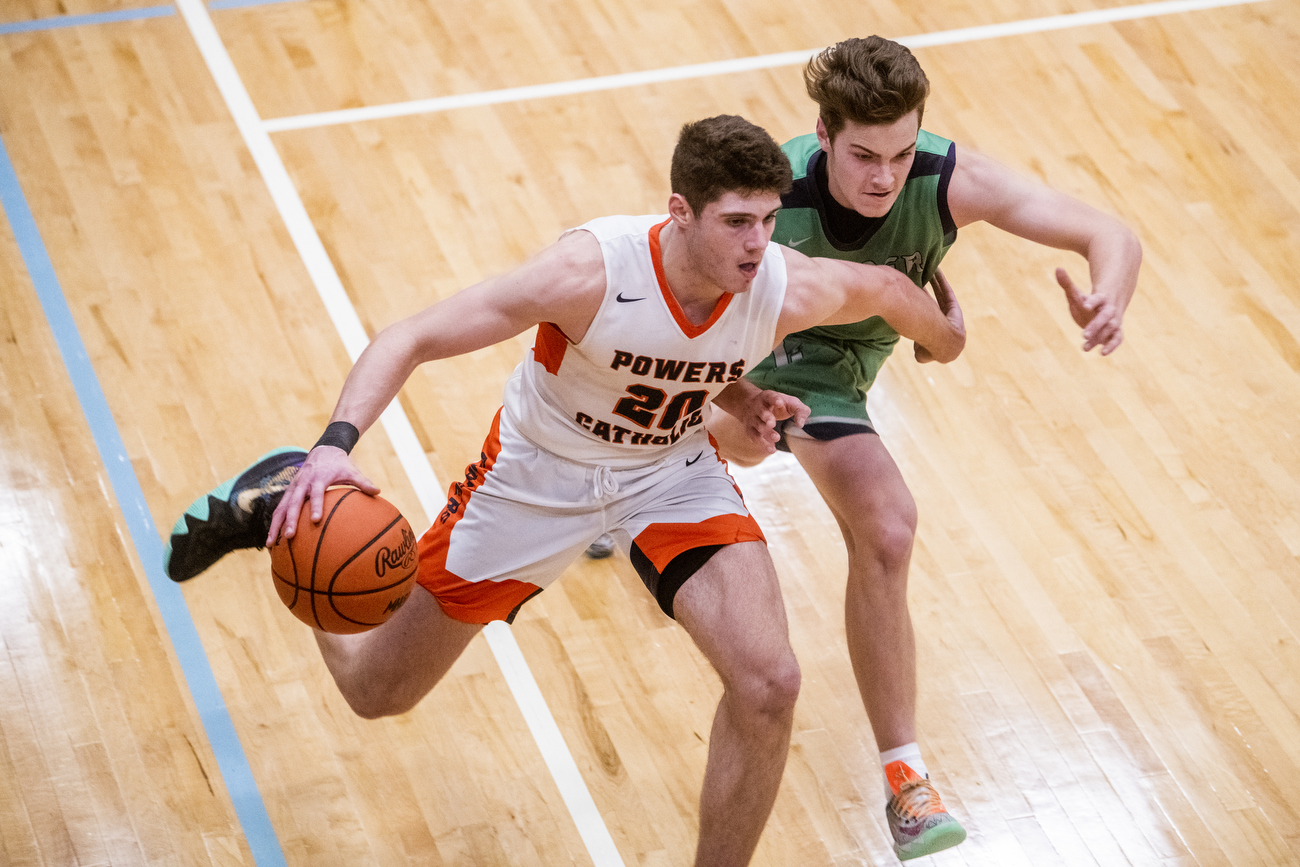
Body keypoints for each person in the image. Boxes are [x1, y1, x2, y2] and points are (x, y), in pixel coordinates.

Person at [163, 114, 965, 867]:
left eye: (768, 218)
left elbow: (891, 294)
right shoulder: (589, 272)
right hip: (534, 482)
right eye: (735, 223)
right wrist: (334, 446)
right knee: (376, 691)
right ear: (680, 212)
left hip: (668, 478)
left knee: (770, 683)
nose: (760, 243)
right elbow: (410, 337)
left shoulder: (784, 286)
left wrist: (944, 340)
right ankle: (284, 511)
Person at [708, 37, 1142, 862]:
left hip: (832, 369)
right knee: (737, 437)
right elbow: (680, 288)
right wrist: (943, 341)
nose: (883, 177)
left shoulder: (948, 180)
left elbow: (1105, 229)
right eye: (863, 154)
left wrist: (1108, 297)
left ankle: (905, 778)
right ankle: (656, 454)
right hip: (742, 344)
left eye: (901, 154)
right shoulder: (766, 193)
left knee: (887, 527)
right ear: (823, 135)